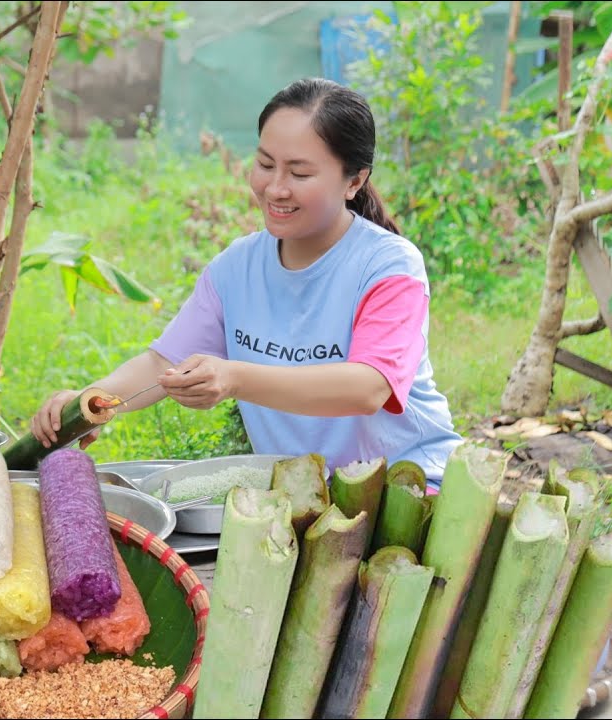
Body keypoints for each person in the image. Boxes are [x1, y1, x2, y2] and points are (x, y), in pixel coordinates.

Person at [33, 77, 463, 488]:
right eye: (265, 164)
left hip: (411, 486)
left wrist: (235, 377)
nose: (275, 188)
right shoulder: (235, 267)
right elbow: (162, 364)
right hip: (305, 493)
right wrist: (89, 401)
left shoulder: (388, 266)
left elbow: (368, 387)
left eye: (299, 173)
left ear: (354, 181)